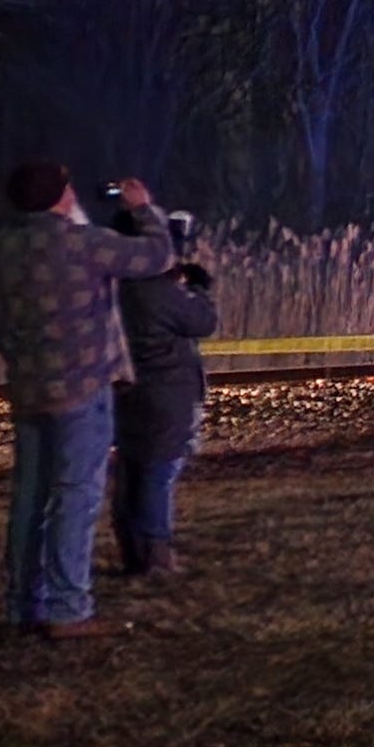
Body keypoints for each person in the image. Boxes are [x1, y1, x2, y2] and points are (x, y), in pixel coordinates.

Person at [0, 164, 176, 638]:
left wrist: (18, 350)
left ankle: (25, 604)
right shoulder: (86, 244)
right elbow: (157, 256)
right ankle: (68, 607)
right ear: (59, 198)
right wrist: (143, 209)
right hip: (84, 389)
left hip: (29, 388)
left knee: (29, 500)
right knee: (74, 497)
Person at [109, 205, 219, 566]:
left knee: (133, 470)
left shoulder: (111, 287)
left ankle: (133, 549)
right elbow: (203, 321)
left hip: (127, 395)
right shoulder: (157, 290)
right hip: (166, 395)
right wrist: (198, 289)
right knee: (159, 473)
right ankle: (156, 553)